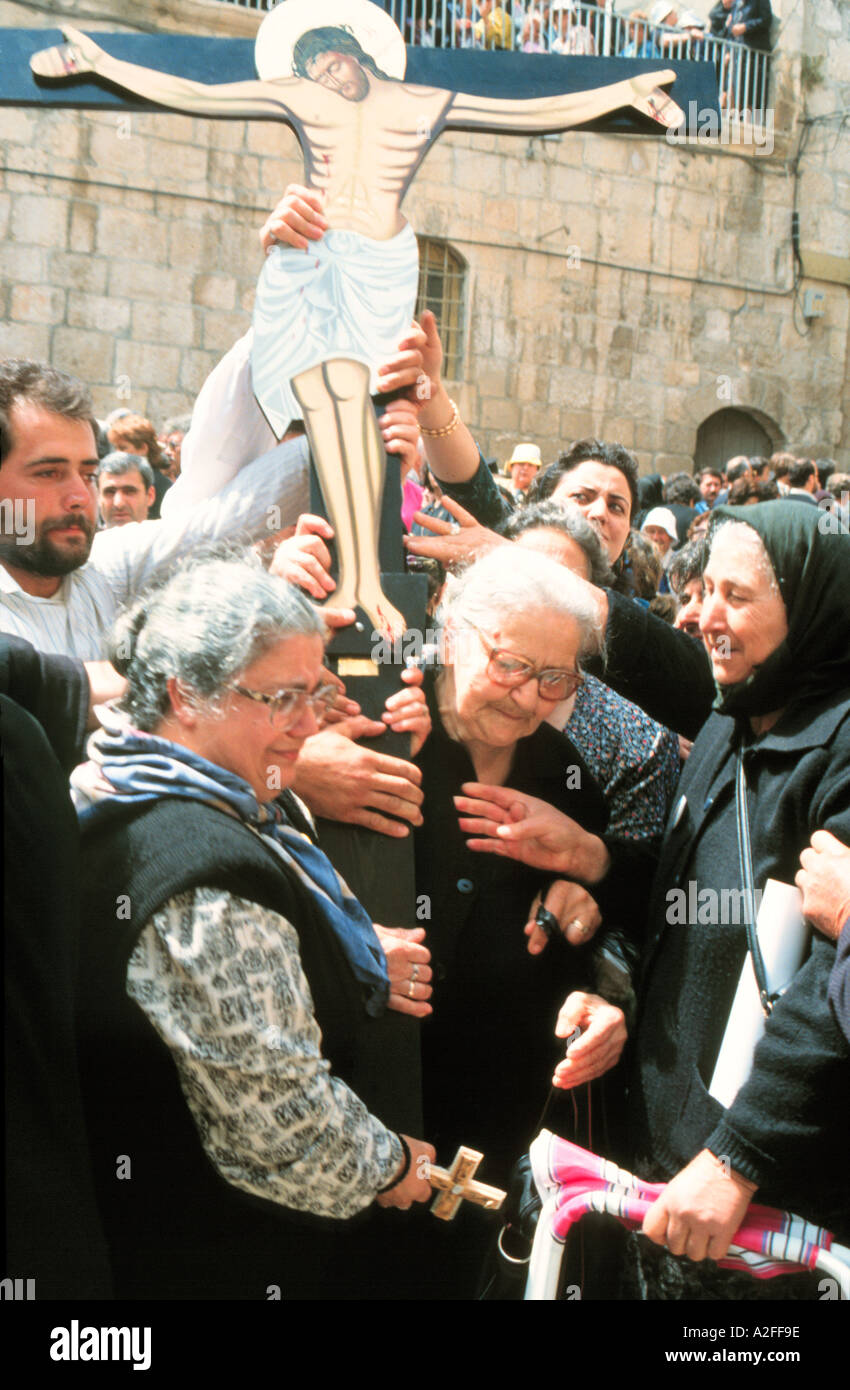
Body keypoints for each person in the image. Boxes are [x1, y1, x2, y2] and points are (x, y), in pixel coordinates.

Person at [34, 10, 682, 639]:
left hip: (380, 270)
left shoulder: (418, 106)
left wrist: (624, 93)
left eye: (335, 65)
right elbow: (200, 85)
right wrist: (105, 65)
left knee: (355, 439)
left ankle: (362, 586)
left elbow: (525, 104)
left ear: (360, 57)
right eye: (312, 72)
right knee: (224, 487)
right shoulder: (306, 145)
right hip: (303, 266)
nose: (329, 82)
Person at [70, 550, 435, 1299]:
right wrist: (393, 1164)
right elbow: (287, 1132)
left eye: (317, 693)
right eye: (281, 699)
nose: (309, 724)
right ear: (185, 695)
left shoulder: (117, 784)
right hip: (219, 1259)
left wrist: (339, 952)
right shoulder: (208, 881)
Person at [625, 503, 850, 1296]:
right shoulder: (733, 712)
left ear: (813, 606)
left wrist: (737, 1159)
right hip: (671, 1175)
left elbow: (835, 985)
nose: (705, 617)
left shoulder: (843, 748)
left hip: (764, 1219)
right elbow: (693, 900)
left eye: (739, 597)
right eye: (703, 589)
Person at [410, 544, 647, 1293]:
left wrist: (587, 898)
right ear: (453, 630)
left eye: (556, 678)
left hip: (506, 1109)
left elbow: (616, 914)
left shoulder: (565, 772)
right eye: (510, 665)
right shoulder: (383, 724)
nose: (527, 699)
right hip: (383, 1092)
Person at [0, 359, 311, 661]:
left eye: (88, 475)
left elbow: (229, 520)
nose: (80, 496)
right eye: (49, 473)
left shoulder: (106, 571)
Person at [503, 501, 680, 848]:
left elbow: (636, 872)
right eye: (522, 581)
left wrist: (590, 865)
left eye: (563, 590)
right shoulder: (431, 691)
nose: (539, 605)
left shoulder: (637, 742)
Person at [97, 451, 156, 527]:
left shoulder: (170, 538)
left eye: (129, 492)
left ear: (150, 496)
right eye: (110, 492)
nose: (118, 503)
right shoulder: (87, 539)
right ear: (98, 496)